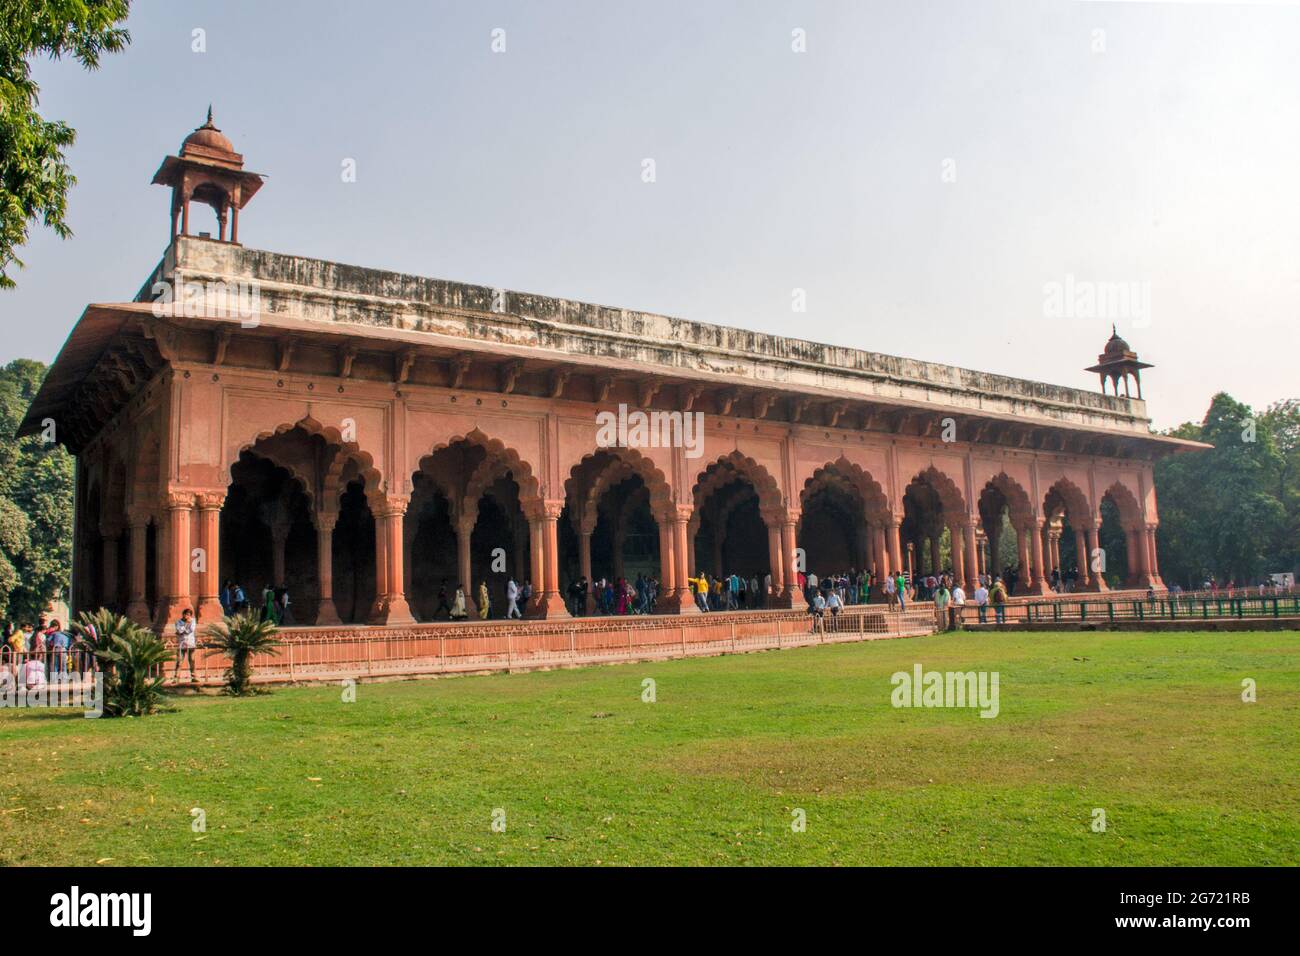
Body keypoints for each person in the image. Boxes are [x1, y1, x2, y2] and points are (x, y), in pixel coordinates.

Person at [173, 608, 197, 682]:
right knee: (179, 661)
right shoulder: (178, 622)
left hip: (191, 643)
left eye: (189, 615)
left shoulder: (193, 621)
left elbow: (191, 630)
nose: (187, 616)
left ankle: (194, 677)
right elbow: (179, 630)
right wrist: (186, 624)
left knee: (192, 661)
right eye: (186, 615)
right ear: (183, 614)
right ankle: (176, 678)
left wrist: (182, 630)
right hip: (182, 644)